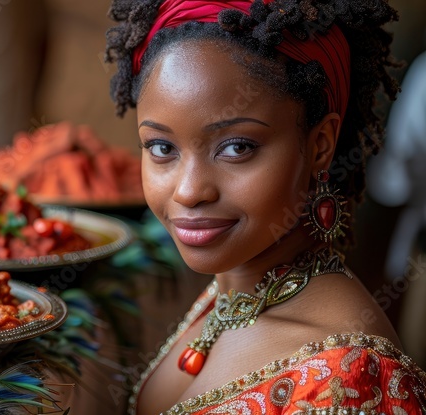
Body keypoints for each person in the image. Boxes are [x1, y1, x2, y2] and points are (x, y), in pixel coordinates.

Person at [104, 0, 426, 413]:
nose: (188, 192)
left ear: (320, 146)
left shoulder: (348, 379)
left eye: (237, 147)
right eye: (162, 147)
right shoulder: (236, 284)